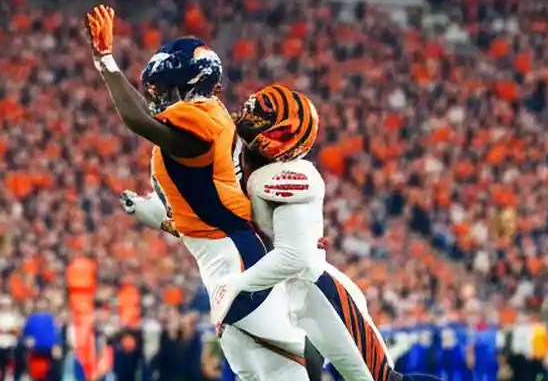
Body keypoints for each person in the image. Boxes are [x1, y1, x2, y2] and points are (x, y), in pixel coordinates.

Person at [86, 6, 307, 381]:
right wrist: (153, 213)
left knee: (286, 373)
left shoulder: (200, 118)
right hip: (225, 260)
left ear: (188, 85)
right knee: (257, 374)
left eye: (163, 89)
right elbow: (198, 210)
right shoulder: (207, 119)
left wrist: (106, 62)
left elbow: (140, 121)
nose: (156, 98)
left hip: (236, 261)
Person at [131, 84, 398, 381]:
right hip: (280, 298)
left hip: (315, 293)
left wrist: (236, 284)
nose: (247, 112)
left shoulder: (292, 176)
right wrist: (167, 222)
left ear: (280, 131)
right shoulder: (243, 169)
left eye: (260, 112)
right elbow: (226, 229)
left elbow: (294, 257)